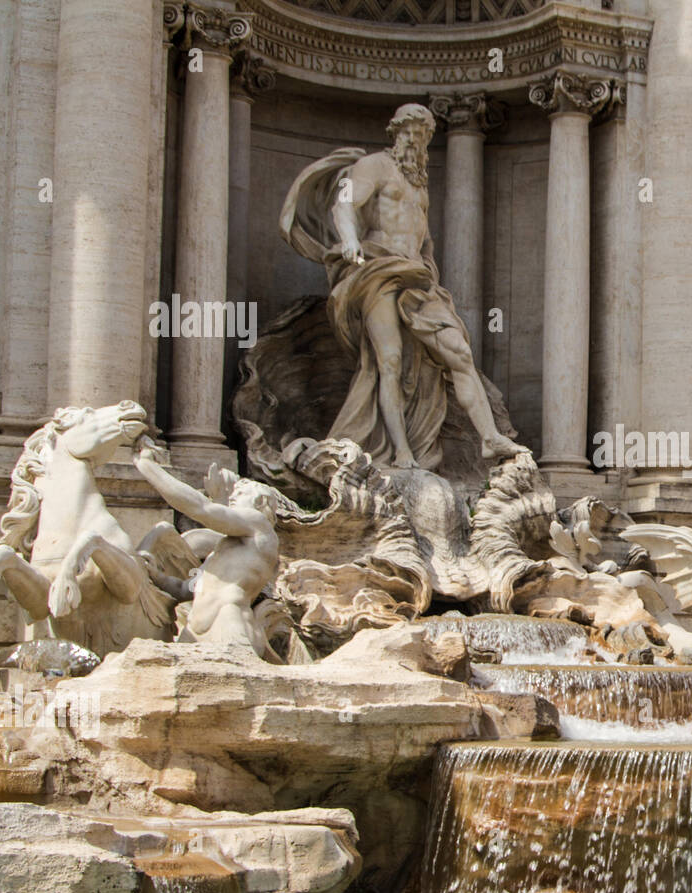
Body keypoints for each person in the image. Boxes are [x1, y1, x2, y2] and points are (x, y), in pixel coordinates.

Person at [281, 103, 525, 471]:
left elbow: (423, 240)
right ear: (395, 132)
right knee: (389, 362)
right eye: (410, 132)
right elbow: (343, 205)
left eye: (424, 134)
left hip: (416, 277)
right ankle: (401, 452)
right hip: (376, 270)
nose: (416, 140)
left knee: (458, 352)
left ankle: (489, 437)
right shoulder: (374, 166)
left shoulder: (418, 183)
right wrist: (349, 239)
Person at [133, 440, 281, 661]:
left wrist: (148, 467)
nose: (232, 500)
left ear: (259, 502)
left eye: (238, 496)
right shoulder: (225, 549)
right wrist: (158, 576)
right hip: (195, 629)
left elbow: (203, 510)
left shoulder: (260, 527)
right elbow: (186, 589)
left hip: (229, 623)